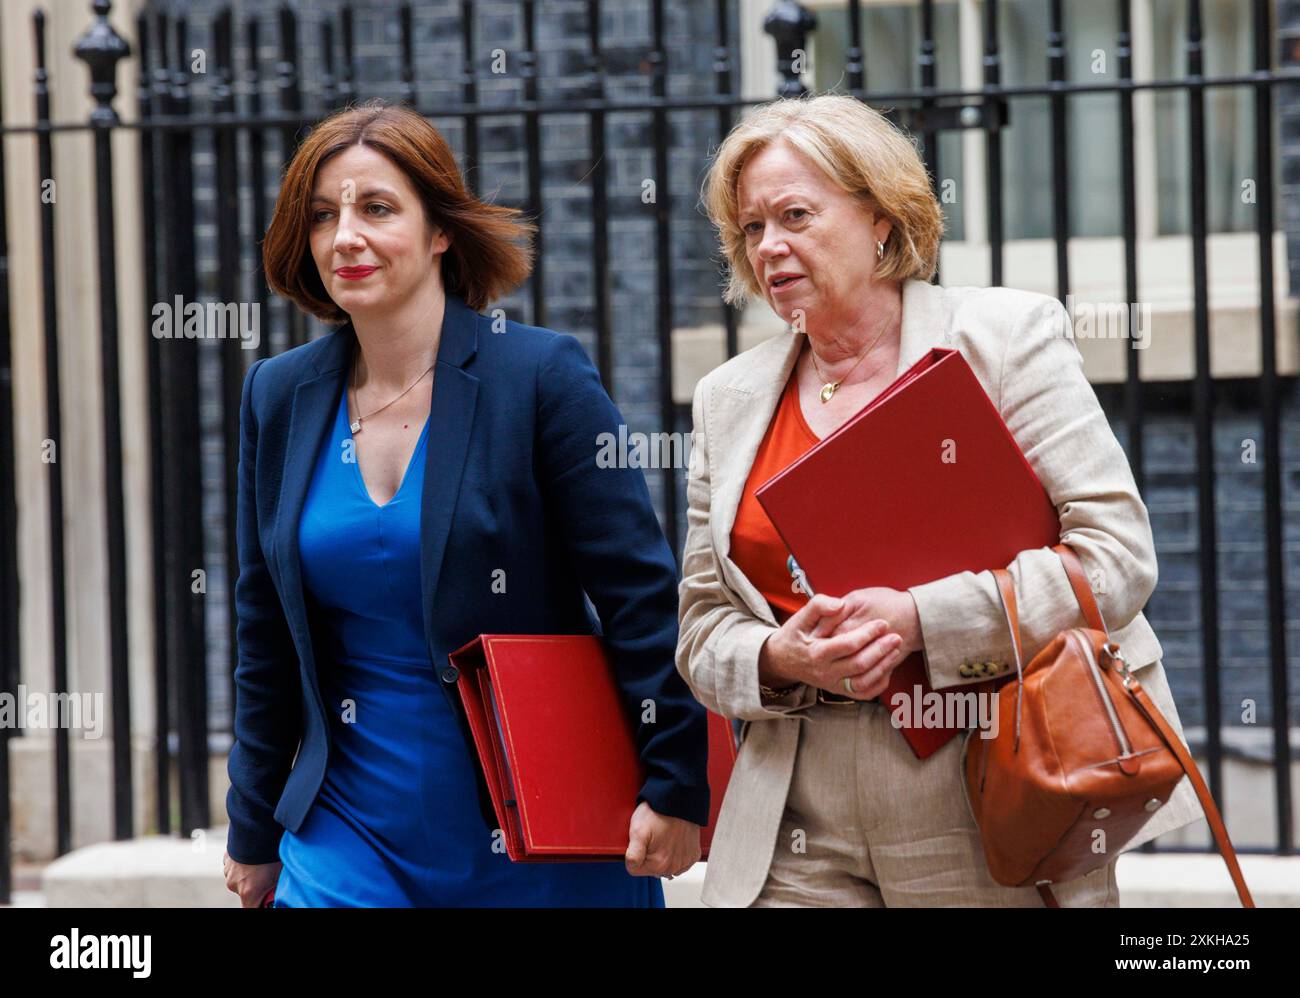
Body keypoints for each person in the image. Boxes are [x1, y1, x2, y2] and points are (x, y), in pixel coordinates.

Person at [676, 93, 1204, 907]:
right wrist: (783, 659)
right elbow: (703, 624)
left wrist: (919, 617)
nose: (771, 246)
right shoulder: (727, 398)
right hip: (795, 814)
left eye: (795, 216)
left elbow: (1116, 558)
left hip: (992, 784)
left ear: (882, 218)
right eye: (752, 228)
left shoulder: (1005, 338)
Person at [222, 101, 707, 907]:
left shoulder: (539, 377)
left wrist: (675, 781)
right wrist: (252, 825)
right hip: (348, 832)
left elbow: (640, 595)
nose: (346, 236)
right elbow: (262, 627)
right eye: (322, 215)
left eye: (377, 208)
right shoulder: (280, 395)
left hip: (533, 821)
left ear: (441, 231)